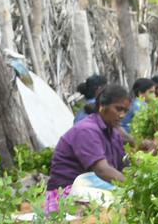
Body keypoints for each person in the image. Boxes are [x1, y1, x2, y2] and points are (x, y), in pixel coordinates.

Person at [46, 83, 132, 213]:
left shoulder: (113, 133)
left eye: (125, 111)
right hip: (65, 193)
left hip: (91, 188)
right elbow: (102, 170)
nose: (122, 115)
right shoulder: (87, 130)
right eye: (118, 109)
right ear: (102, 106)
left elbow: (124, 166)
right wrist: (131, 187)